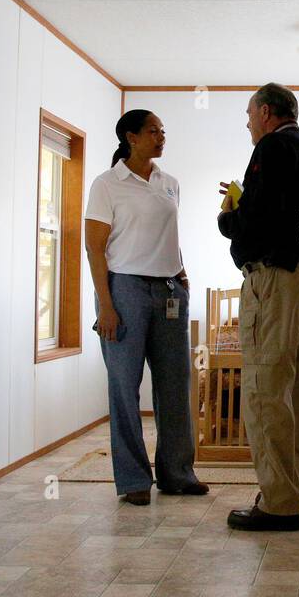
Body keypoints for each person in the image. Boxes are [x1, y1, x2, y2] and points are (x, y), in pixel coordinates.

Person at [218, 83, 299, 530]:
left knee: (266, 389)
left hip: (279, 276)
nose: (248, 122)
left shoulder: (270, 146)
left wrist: (228, 216)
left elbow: (258, 219)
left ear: (266, 112)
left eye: (249, 113)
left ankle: (278, 503)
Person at [84, 109, 208, 505]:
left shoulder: (169, 183)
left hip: (171, 288)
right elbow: (94, 247)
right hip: (125, 290)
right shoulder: (107, 184)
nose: (161, 137)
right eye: (153, 131)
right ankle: (134, 479)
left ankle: (177, 474)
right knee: (124, 386)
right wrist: (106, 304)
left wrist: (183, 273)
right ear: (131, 136)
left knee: (175, 385)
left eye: (163, 131)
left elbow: (167, 234)